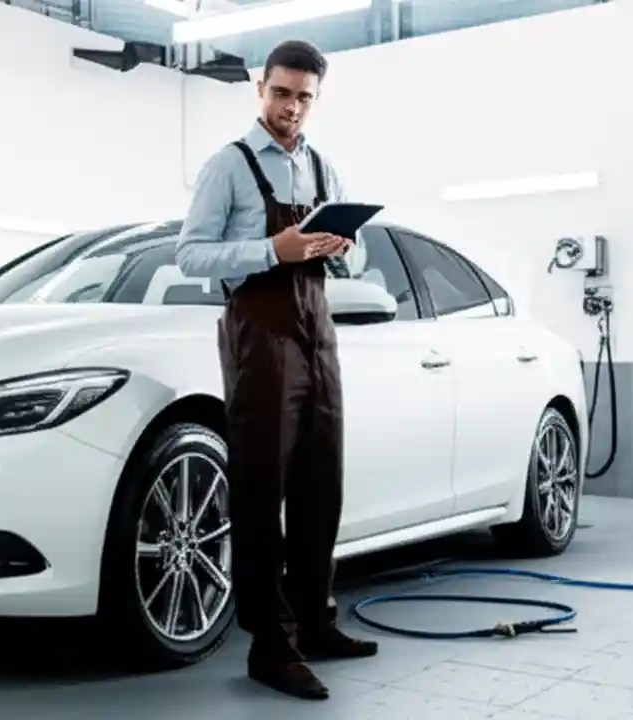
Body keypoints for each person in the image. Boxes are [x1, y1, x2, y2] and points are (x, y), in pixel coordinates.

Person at [175, 39, 378, 700]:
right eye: (281, 93)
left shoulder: (322, 165)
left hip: (318, 331)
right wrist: (274, 248)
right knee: (262, 489)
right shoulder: (227, 167)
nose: (292, 108)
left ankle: (317, 623)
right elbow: (190, 255)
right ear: (260, 88)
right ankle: (271, 645)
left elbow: (359, 252)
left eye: (304, 97)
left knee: (323, 481)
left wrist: (345, 243)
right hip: (258, 333)